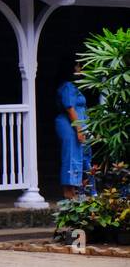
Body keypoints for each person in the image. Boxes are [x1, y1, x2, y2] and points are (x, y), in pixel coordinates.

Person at [55, 60, 92, 200]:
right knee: (71, 154)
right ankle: (68, 192)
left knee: (84, 155)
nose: (80, 68)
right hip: (69, 124)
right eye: (77, 65)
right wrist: (78, 129)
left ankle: (80, 190)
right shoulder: (67, 86)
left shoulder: (77, 86)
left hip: (81, 124)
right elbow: (69, 108)